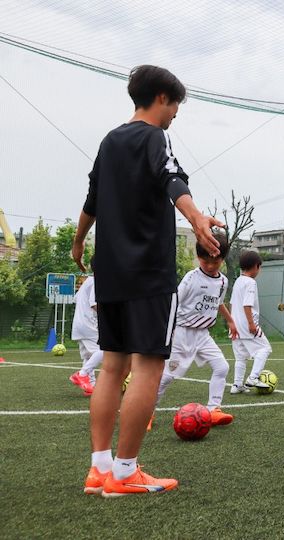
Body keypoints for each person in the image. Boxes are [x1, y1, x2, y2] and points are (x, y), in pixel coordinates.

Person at [71, 65, 223, 496]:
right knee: (148, 367)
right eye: (175, 105)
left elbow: (92, 200)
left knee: (111, 366)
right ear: (161, 98)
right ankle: (125, 472)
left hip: (109, 271)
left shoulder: (110, 140)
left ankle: (99, 469)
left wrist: (78, 242)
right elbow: (172, 179)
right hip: (148, 272)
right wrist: (197, 218)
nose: (176, 113)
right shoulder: (156, 137)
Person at [153, 232, 237, 429]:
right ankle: (146, 412)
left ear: (222, 259)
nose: (210, 266)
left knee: (222, 367)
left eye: (215, 262)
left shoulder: (223, 282)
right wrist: (165, 328)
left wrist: (231, 321)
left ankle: (213, 409)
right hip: (181, 333)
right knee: (167, 376)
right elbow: (174, 302)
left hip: (203, 335)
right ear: (199, 257)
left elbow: (218, 302)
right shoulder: (191, 278)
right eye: (205, 261)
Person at [230, 251, 273, 392]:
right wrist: (251, 324)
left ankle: (237, 385)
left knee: (241, 356)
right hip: (246, 325)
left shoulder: (238, 281)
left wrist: (231, 322)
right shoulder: (250, 282)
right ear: (256, 266)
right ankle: (253, 377)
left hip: (235, 325)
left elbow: (232, 303)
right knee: (265, 348)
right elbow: (247, 305)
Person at [69, 258, 102, 397]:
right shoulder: (97, 281)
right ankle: (82, 374)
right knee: (105, 350)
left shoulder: (87, 281)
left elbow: (76, 299)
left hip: (79, 324)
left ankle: (90, 386)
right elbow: (94, 304)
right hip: (89, 324)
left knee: (88, 356)